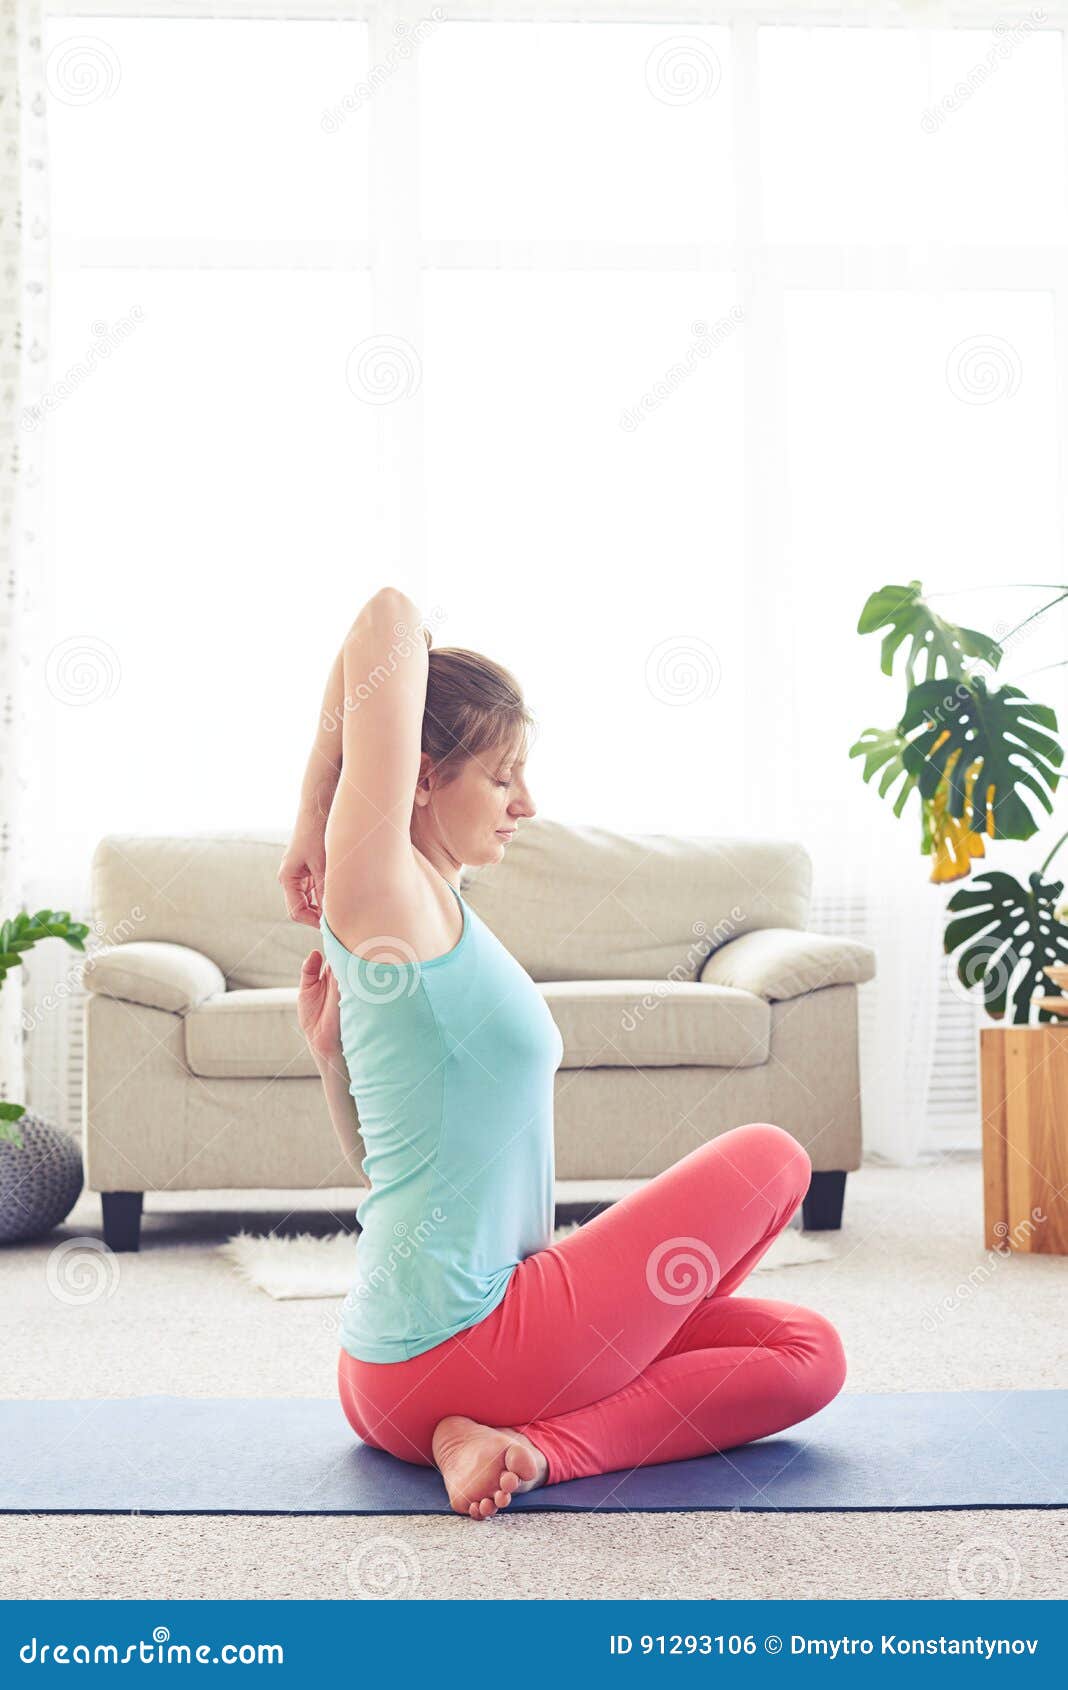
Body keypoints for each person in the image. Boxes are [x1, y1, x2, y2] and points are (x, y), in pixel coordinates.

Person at [280, 586, 846, 1521]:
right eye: (502, 777)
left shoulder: (431, 912)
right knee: (773, 1160)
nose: (527, 804)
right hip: (466, 1342)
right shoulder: (385, 891)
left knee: (806, 1351)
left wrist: (330, 1060)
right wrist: (312, 815)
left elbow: (381, 1168)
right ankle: (539, 1444)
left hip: (390, 1377)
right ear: (421, 779)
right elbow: (387, 616)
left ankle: (503, 1436)